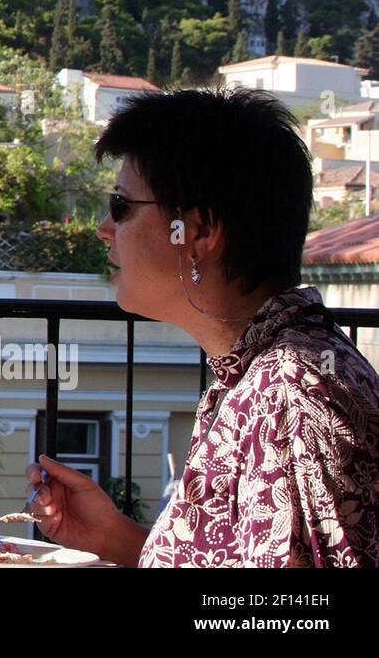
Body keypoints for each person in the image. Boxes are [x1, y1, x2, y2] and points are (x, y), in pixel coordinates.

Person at [26, 87, 379, 567]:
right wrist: (117, 538)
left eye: (122, 205)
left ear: (199, 232)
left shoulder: (294, 394)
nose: (104, 227)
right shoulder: (255, 374)